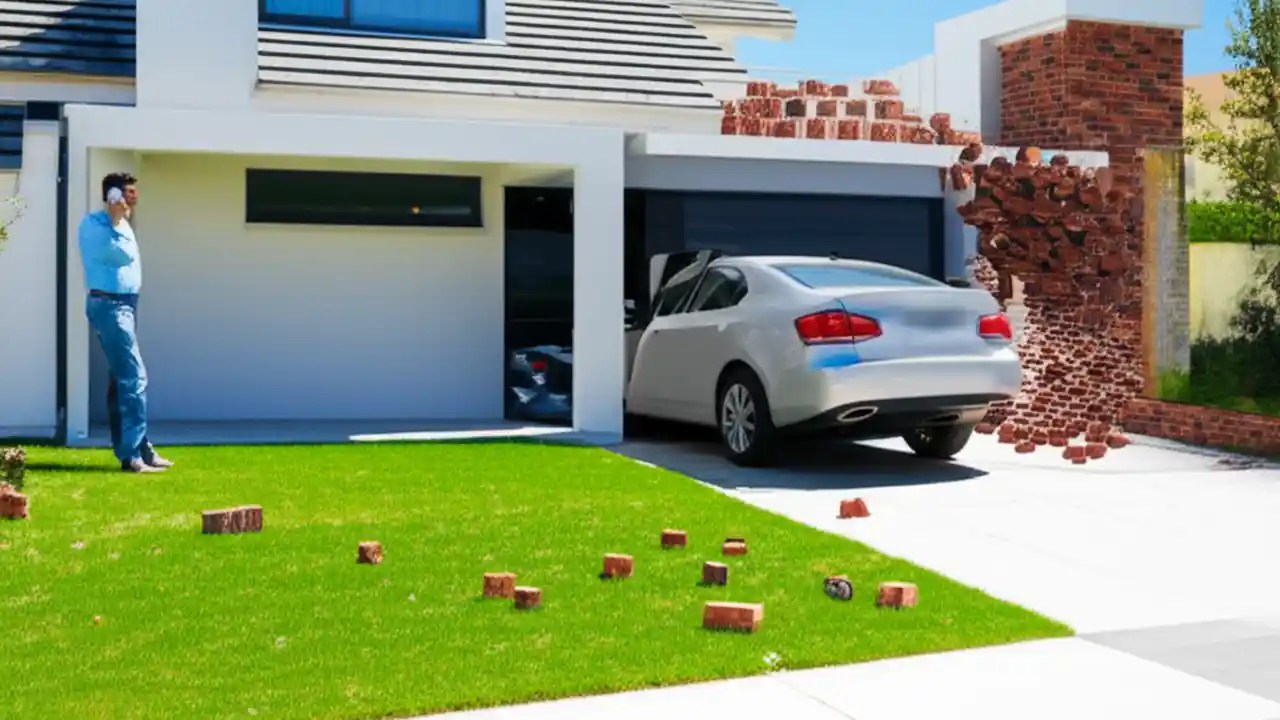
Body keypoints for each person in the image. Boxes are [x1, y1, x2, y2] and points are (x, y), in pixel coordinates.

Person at [79, 172, 173, 473]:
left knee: (121, 381)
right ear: (113, 195)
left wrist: (121, 218)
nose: (134, 198)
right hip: (109, 305)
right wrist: (115, 215)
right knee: (134, 377)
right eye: (128, 193)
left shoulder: (125, 224)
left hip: (127, 305)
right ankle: (131, 456)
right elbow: (107, 251)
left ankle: (139, 448)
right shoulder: (94, 225)